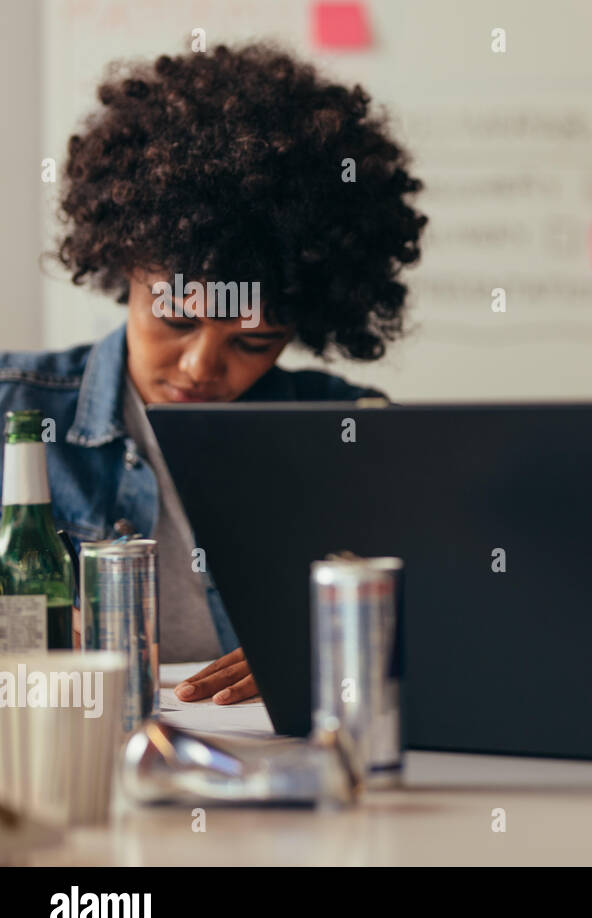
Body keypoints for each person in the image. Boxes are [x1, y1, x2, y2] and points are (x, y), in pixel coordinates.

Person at [0, 43, 426, 704]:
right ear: (125, 261)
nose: (201, 367)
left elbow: (455, 609)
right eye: (175, 321)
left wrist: (336, 649)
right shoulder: (14, 414)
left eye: (254, 341)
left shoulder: (344, 430)